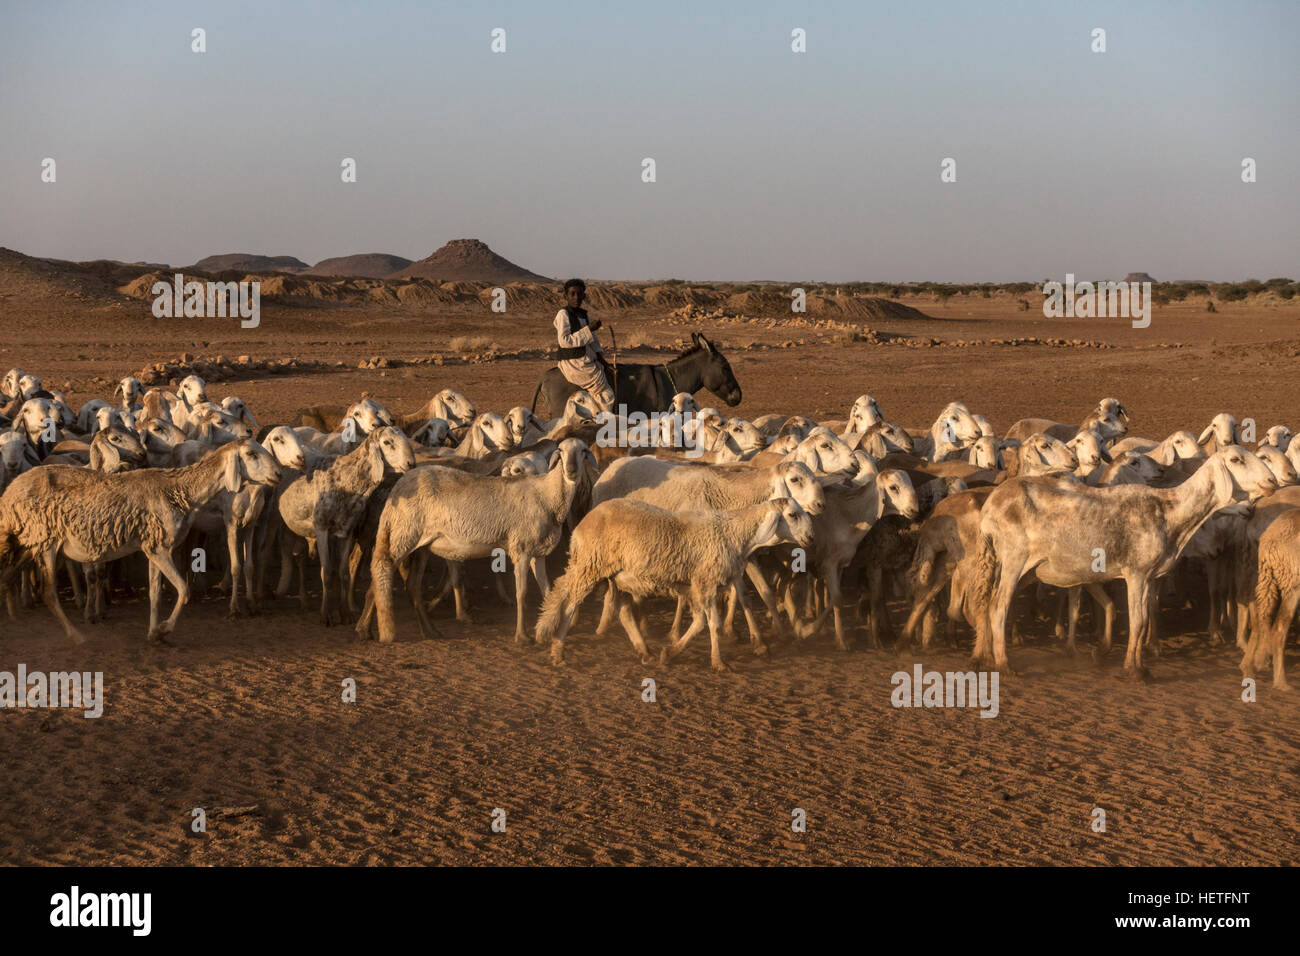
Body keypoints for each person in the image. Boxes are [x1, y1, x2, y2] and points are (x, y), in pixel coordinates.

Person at [554, 278, 616, 412]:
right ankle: (604, 421)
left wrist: (605, 363)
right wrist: (589, 329)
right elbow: (564, 341)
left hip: (586, 359)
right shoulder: (563, 314)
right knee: (606, 393)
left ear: (584, 296)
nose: (576, 297)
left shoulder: (584, 315)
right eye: (572, 294)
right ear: (566, 296)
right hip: (573, 362)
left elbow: (593, 341)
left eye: (579, 294)